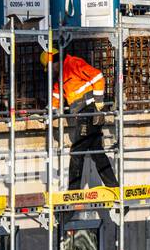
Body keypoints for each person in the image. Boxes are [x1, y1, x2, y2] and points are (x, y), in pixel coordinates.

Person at [41, 46, 119, 190]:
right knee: (97, 153)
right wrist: (47, 113)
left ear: (54, 63)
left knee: (77, 153)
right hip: (82, 114)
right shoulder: (60, 78)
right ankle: (114, 188)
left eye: (49, 68)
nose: (50, 73)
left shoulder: (73, 64)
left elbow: (97, 76)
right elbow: (56, 98)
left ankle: (73, 193)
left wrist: (98, 101)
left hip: (88, 112)